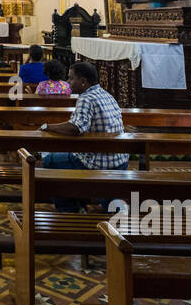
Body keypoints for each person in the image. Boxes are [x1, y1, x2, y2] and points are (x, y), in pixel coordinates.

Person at [36, 61, 127, 212]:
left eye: (71, 79)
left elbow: (75, 128)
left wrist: (48, 126)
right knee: (66, 160)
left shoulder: (86, 98)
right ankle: (99, 203)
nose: (68, 82)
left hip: (96, 162)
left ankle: (70, 209)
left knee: (49, 162)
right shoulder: (106, 94)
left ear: (83, 81)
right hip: (119, 160)